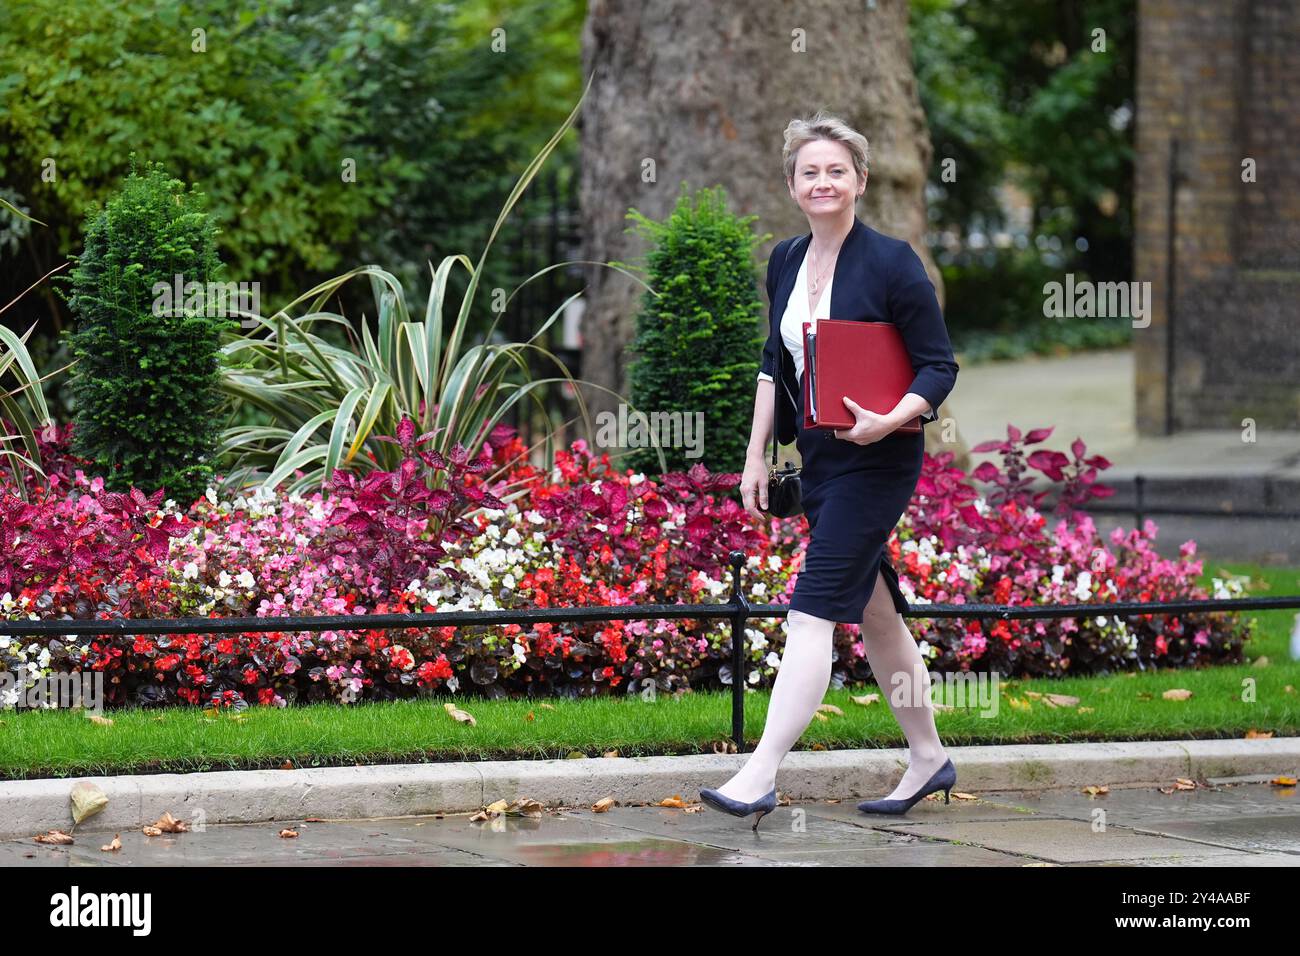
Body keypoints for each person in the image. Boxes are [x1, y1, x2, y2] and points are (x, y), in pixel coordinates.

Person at [699, 110, 960, 830]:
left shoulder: (893, 261)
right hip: (817, 459)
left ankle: (760, 772)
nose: (823, 181)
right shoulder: (785, 260)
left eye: (836, 170)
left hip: (879, 458)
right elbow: (771, 365)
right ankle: (929, 756)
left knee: (811, 611)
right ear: (792, 185)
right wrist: (755, 456)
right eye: (809, 171)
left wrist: (895, 416)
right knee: (875, 614)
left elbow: (940, 366)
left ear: (860, 181)